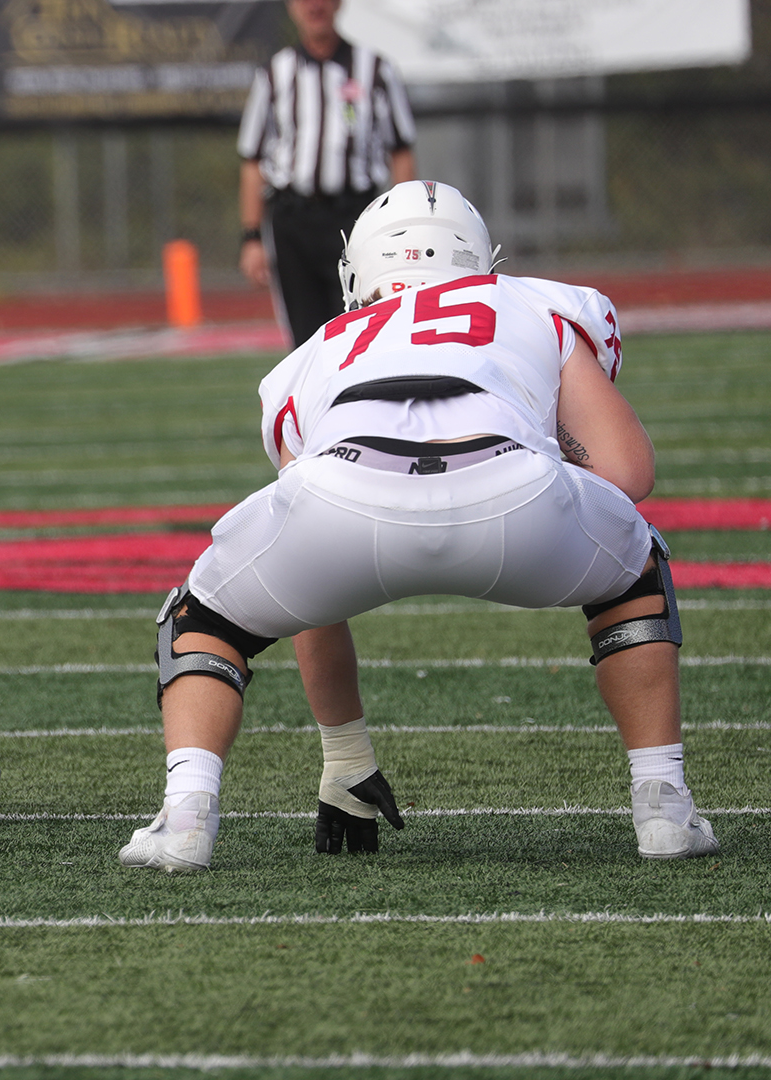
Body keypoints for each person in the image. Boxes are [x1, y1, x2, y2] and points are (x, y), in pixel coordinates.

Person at [121, 180, 717, 872]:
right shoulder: (532, 302)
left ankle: (187, 817)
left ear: (361, 269)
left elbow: (310, 593)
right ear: (478, 259)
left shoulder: (316, 348)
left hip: (341, 485)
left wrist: (346, 755)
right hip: (512, 490)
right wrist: (536, 449)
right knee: (634, 564)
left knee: (202, 621)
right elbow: (628, 473)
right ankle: (664, 807)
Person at [238, 0, 416, 347]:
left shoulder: (375, 69)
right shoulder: (275, 73)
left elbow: (401, 151)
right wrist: (251, 238)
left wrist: (403, 227)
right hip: (294, 220)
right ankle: (312, 404)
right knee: (304, 338)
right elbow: (252, 160)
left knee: (359, 328)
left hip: (354, 218)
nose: (314, 5)